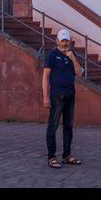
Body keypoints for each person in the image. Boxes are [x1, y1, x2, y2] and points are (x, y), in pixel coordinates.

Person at [41, 29, 82, 168]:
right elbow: (45, 77)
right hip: (57, 96)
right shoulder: (52, 55)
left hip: (70, 95)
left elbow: (79, 73)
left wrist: (73, 58)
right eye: (62, 41)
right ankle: (51, 157)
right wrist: (46, 96)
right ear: (57, 41)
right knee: (53, 126)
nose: (65, 43)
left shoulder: (72, 55)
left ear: (70, 42)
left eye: (67, 41)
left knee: (68, 126)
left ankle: (67, 155)